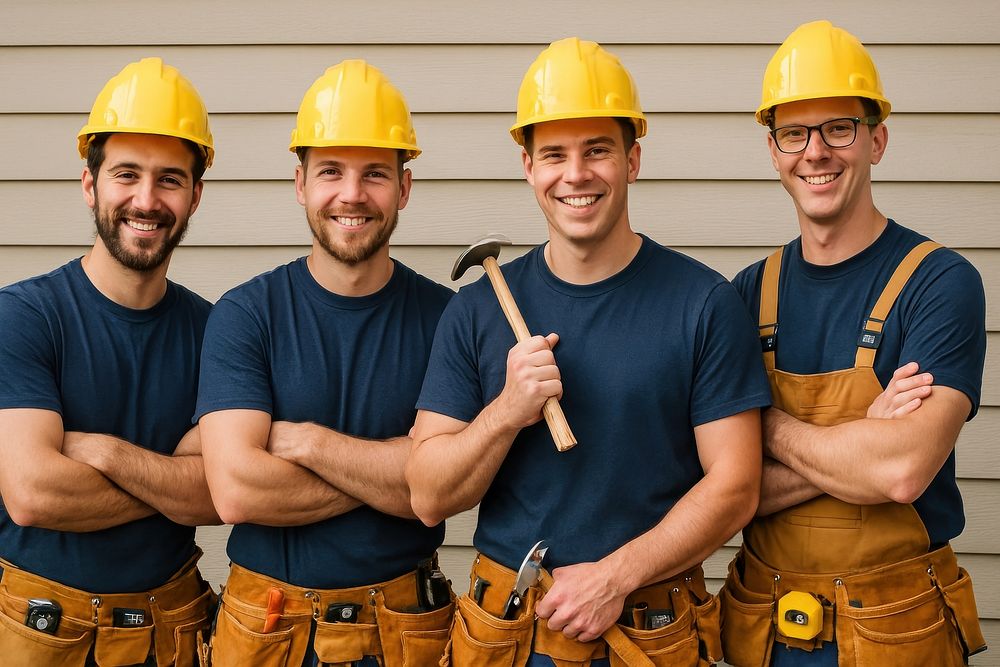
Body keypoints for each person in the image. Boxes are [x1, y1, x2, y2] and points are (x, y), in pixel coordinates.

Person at [406, 37, 771, 666]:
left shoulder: (703, 303)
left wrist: (615, 576)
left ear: (633, 159)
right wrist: (507, 410)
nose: (575, 174)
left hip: (651, 634)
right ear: (528, 166)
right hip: (508, 635)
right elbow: (428, 495)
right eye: (554, 154)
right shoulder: (477, 310)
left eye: (597, 150)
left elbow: (735, 486)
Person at [719, 20, 988, 667]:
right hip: (765, 629)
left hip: (899, 630)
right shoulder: (744, 295)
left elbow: (901, 471)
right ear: (774, 150)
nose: (816, 151)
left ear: (877, 140)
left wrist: (764, 425)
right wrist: (860, 439)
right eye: (795, 133)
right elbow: (722, 493)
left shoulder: (939, 282)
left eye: (839, 128)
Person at [196, 60, 455, 667]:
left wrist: (308, 444)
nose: (352, 194)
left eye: (375, 174)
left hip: (406, 630)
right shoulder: (245, 314)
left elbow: (441, 490)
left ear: (405, 188)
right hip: (265, 630)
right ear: (301, 183)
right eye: (331, 171)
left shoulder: (449, 319)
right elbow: (235, 492)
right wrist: (395, 473)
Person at [0, 57, 219, 667]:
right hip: (40, 635)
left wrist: (105, 453)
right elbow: (33, 493)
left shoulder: (217, 332)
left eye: (169, 179)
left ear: (195, 196)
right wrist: (174, 480)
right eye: (126, 174)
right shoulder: (23, 316)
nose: (146, 200)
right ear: (90, 184)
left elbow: (222, 493)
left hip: (172, 635)